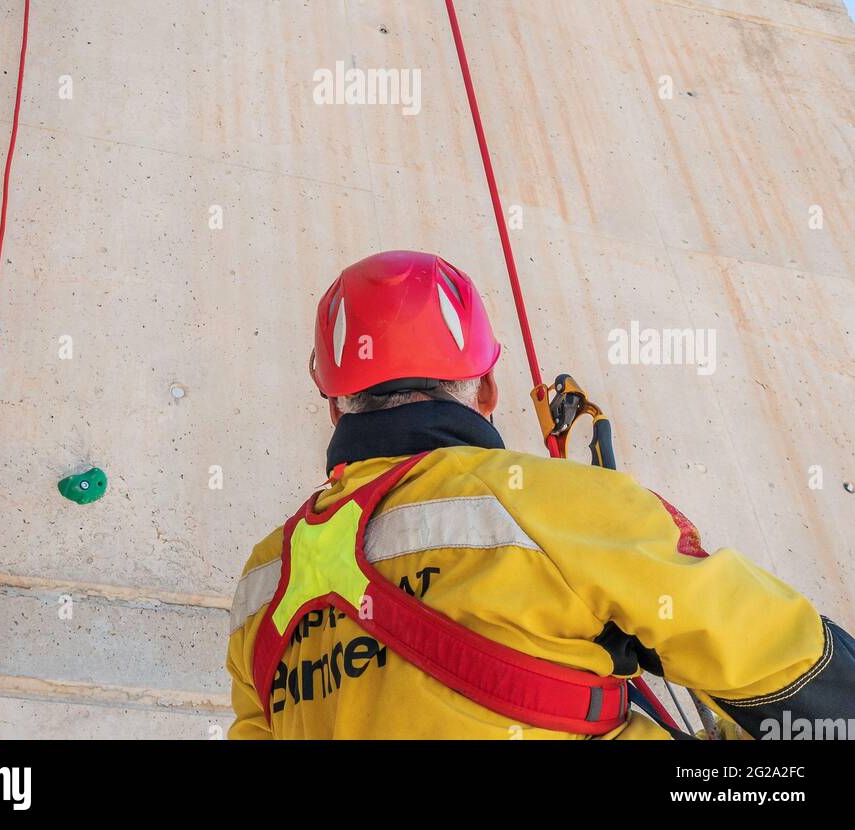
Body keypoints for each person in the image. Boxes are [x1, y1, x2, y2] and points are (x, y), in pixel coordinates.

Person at [226, 249, 855, 740]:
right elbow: (769, 650)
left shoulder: (260, 587)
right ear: (488, 389)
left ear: (337, 409)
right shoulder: (559, 504)